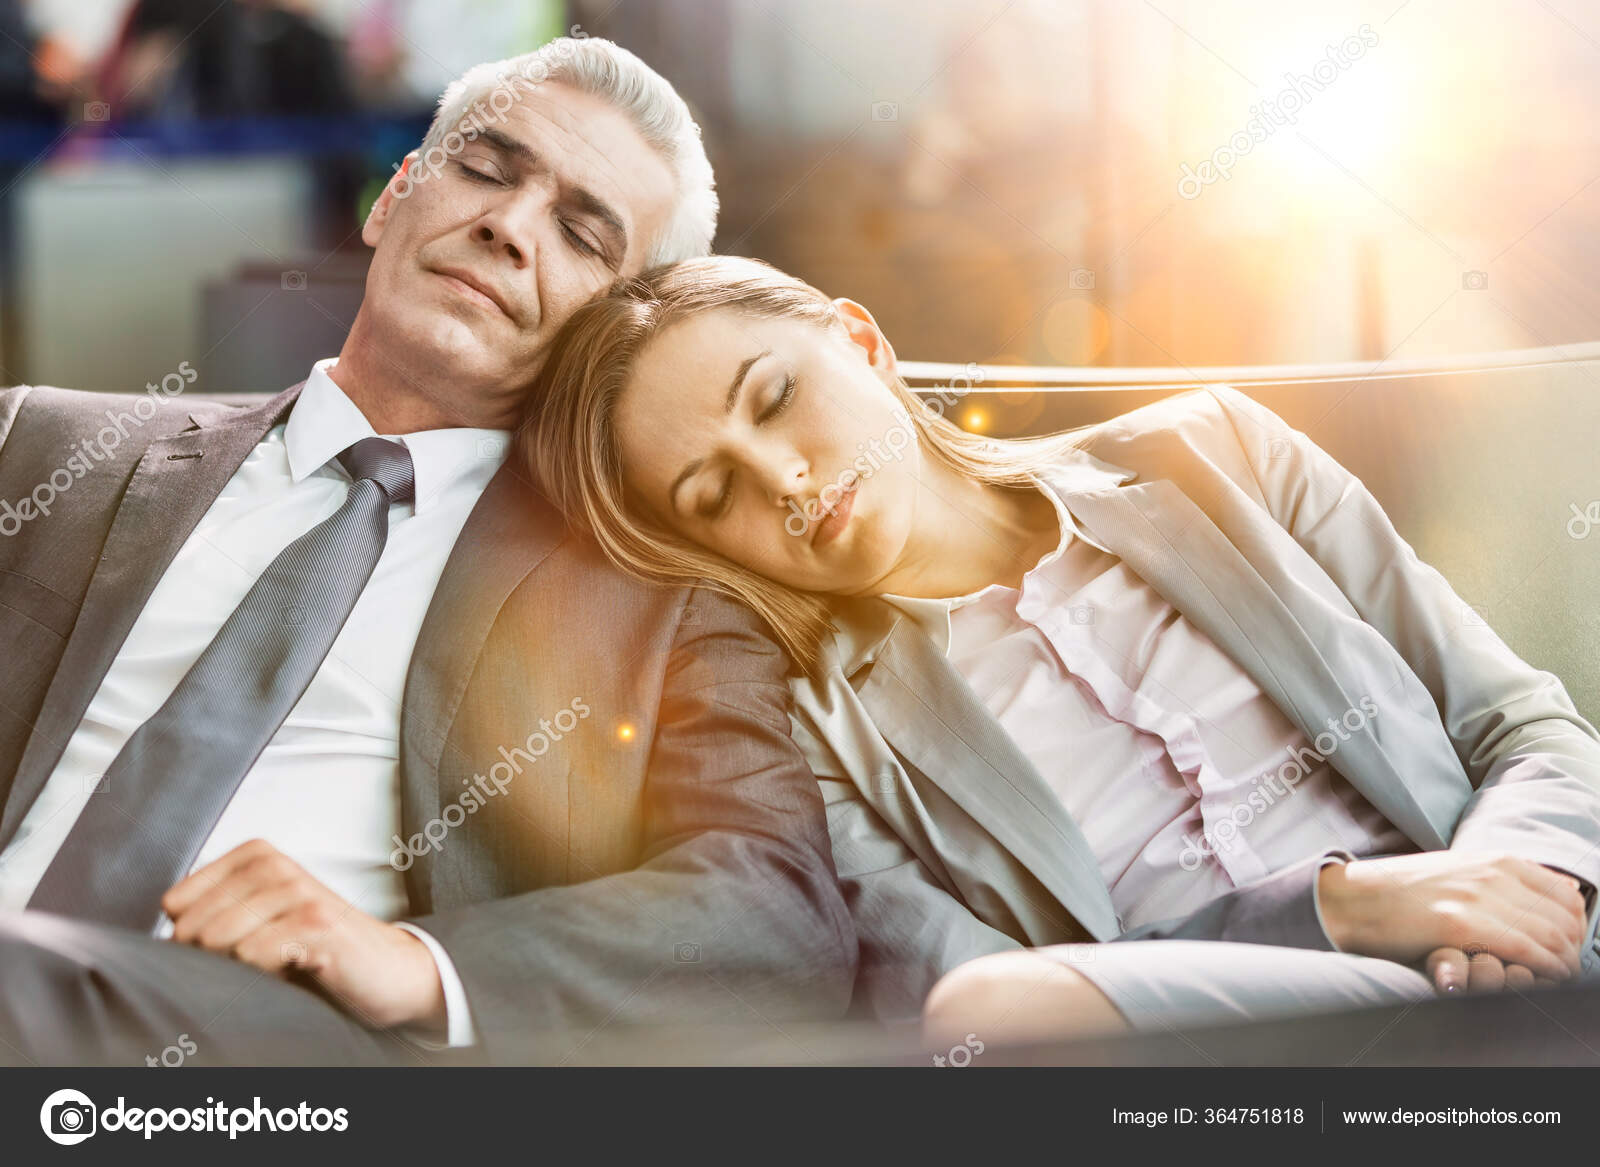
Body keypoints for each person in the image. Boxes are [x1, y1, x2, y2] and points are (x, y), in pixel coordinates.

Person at [0, 40, 854, 1066]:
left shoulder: (656, 595)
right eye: (485, 171)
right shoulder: (41, 448)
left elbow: (777, 915)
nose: (506, 225)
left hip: (283, 1055)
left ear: (612, 339)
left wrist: (418, 966)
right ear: (393, 196)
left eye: (580, 234)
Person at [522, 254, 1600, 1047]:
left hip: (1549, 943)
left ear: (859, 341)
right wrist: (1341, 911)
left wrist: (1512, 888)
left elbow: (1517, 722)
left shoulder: (1218, 451)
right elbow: (974, 1010)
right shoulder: (820, 744)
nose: (782, 482)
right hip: (1250, 1054)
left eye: (774, 398)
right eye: (713, 496)